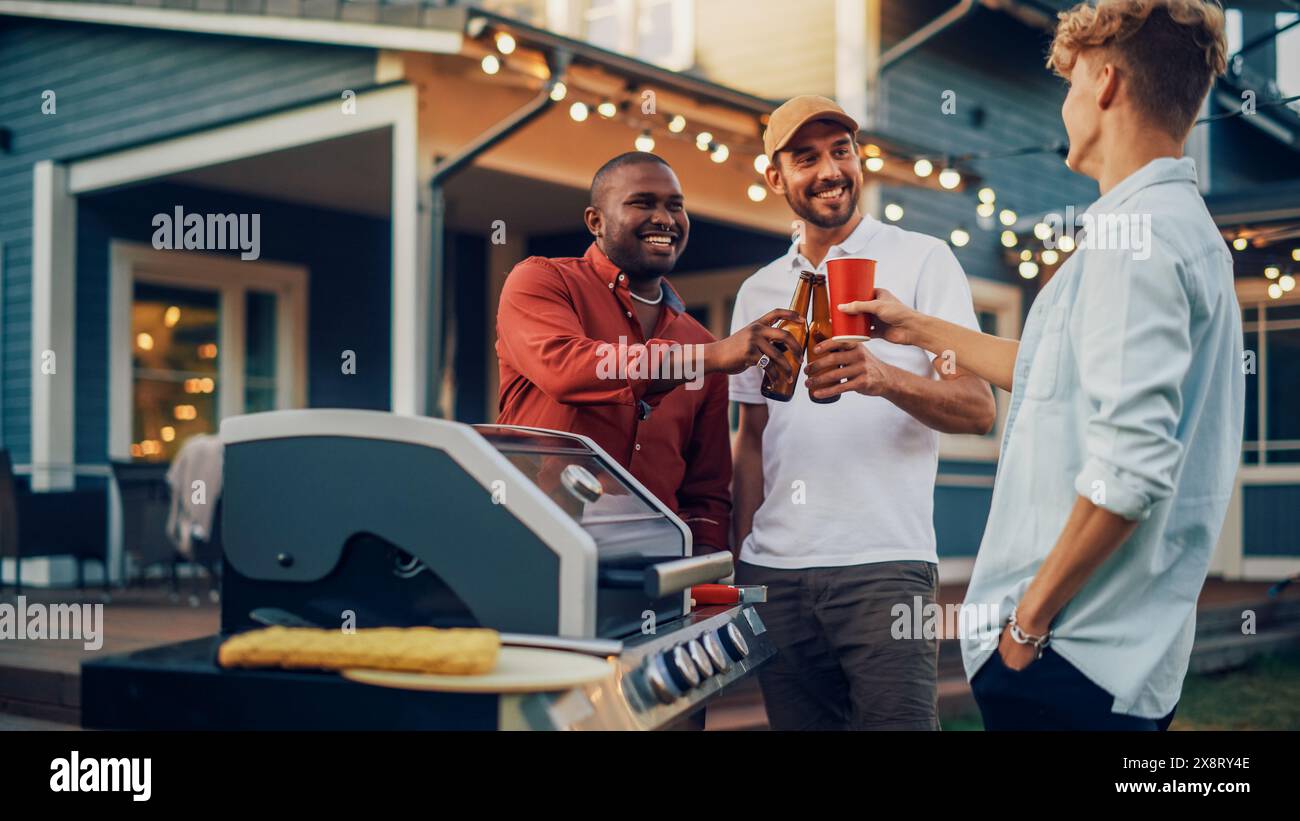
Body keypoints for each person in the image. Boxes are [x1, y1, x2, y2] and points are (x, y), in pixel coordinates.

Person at [835, 0, 1240, 730]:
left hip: (1068, 662)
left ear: (1108, 84)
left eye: (1072, 82)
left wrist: (1024, 625)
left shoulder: (1134, 239)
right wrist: (917, 324)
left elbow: (1130, 470)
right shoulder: (1178, 231)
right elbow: (1058, 372)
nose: (1067, 103)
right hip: (1108, 661)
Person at [731, 95, 997, 730]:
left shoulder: (923, 259)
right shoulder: (758, 290)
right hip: (777, 573)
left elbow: (978, 407)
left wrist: (886, 378)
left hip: (884, 566)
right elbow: (751, 440)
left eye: (841, 151)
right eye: (806, 158)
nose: (830, 170)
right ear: (776, 177)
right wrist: (744, 564)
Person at [495, 151, 803, 554]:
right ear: (596, 221)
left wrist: (706, 574)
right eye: (643, 203)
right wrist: (708, 357)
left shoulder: (701, 340)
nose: (665, 218)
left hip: (654, 571)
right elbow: (568, 369)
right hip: (532, 542)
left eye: (676, 206)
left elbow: (706, 493)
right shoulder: (542, 280)